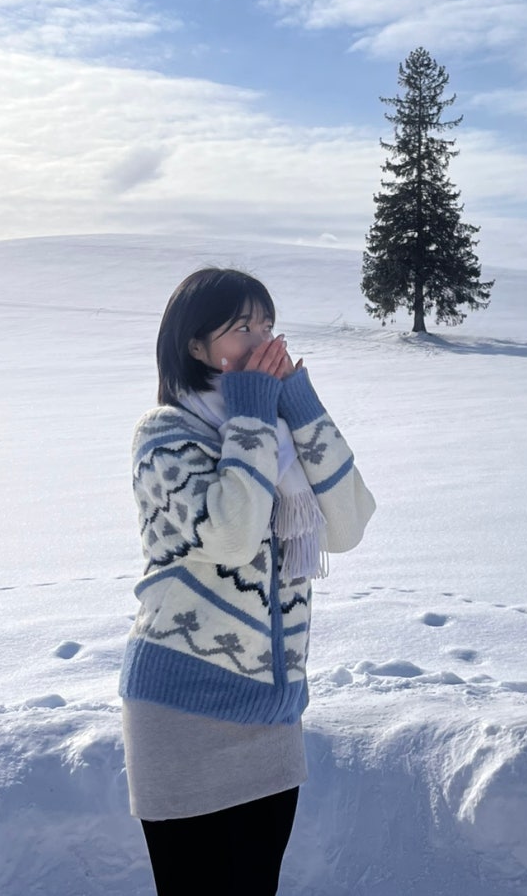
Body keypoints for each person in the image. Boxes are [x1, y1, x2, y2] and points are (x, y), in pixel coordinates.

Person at [119, 267, 376, 895]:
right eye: (242, 328)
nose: (264, 339)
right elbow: (233, 537)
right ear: (195, 345)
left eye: (268, 324)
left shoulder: (282, 432)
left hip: (271, 715)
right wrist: (255, 412)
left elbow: (348, 524)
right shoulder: (165, 435)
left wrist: (300, 404)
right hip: (181, 711)